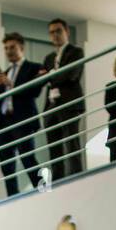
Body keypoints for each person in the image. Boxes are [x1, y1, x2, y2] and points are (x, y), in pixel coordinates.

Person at [0, 32, 44, 196]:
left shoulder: (33, 67)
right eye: (6, 48)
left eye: (12, 47)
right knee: (6, 166)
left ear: (21, 47)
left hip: (22, 119)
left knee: (27, 158)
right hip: (4, 122)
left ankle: (43, 190)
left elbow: (34, 91)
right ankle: (12, 199)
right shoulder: (5, 72)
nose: (8, 51)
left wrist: (11, 84)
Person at [41, 18, 86, 181]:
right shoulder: (48, 57)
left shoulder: (76, 52)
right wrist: (51, 76)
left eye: (58, 31)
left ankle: (76, 178)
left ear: (66, 31)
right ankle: (58, 181)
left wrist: (51, 75)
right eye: (52, 32)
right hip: (51, 106)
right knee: (54, 148)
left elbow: (72, 75)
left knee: (71, 143)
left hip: (69, 104)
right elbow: (42, 79)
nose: (55, 35)